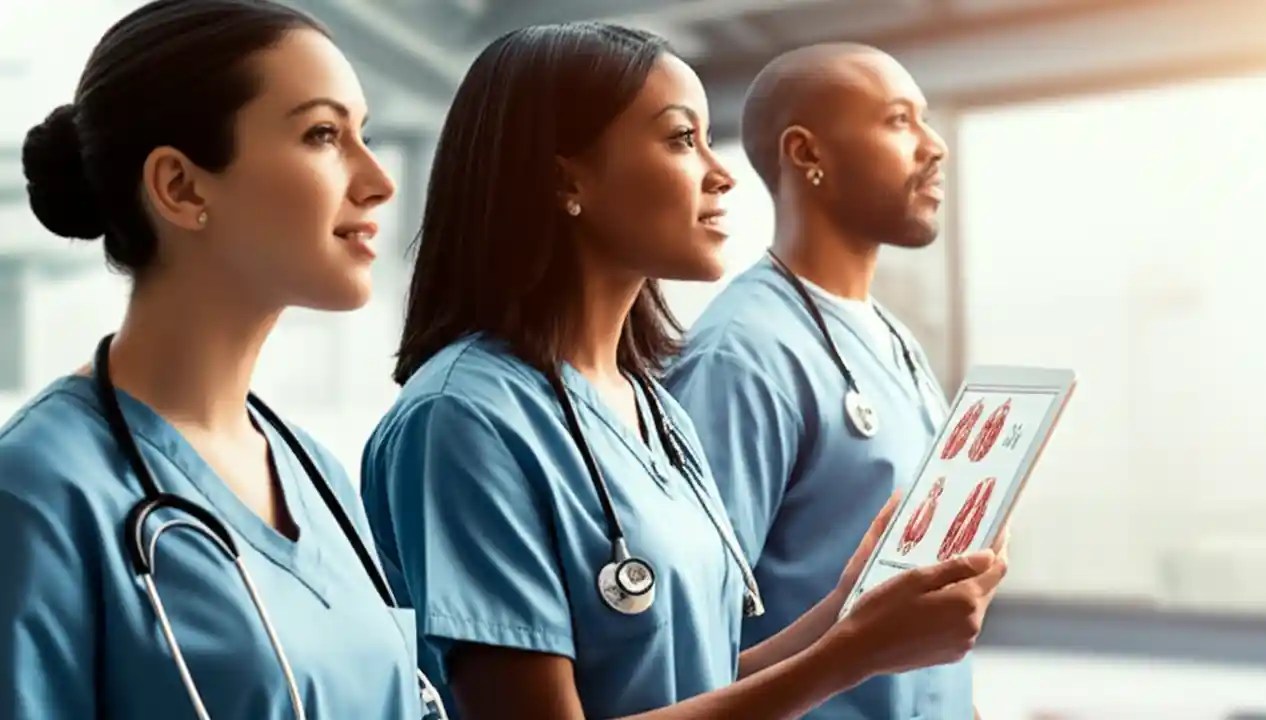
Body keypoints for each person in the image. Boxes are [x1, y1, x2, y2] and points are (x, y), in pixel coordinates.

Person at [361, 24, 1007, 720]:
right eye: (679, 139)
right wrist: (846, 655)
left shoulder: (651, 410)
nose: (722, 172)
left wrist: (851, 615)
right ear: (564, 177)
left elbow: (700, 677)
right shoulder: (465, 420)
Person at [0, 2, 436, 718]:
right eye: (323, 134)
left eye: (366, 133)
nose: (378, 180)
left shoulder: (320, 479)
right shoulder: (38, 496)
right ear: (181, 186)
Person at [664, 43, 986, 719]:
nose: (934, 148)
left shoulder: (895, 342)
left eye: (926, 120)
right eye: (899, 121)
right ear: (807, 154)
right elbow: (692, 650)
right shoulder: (739, 356)